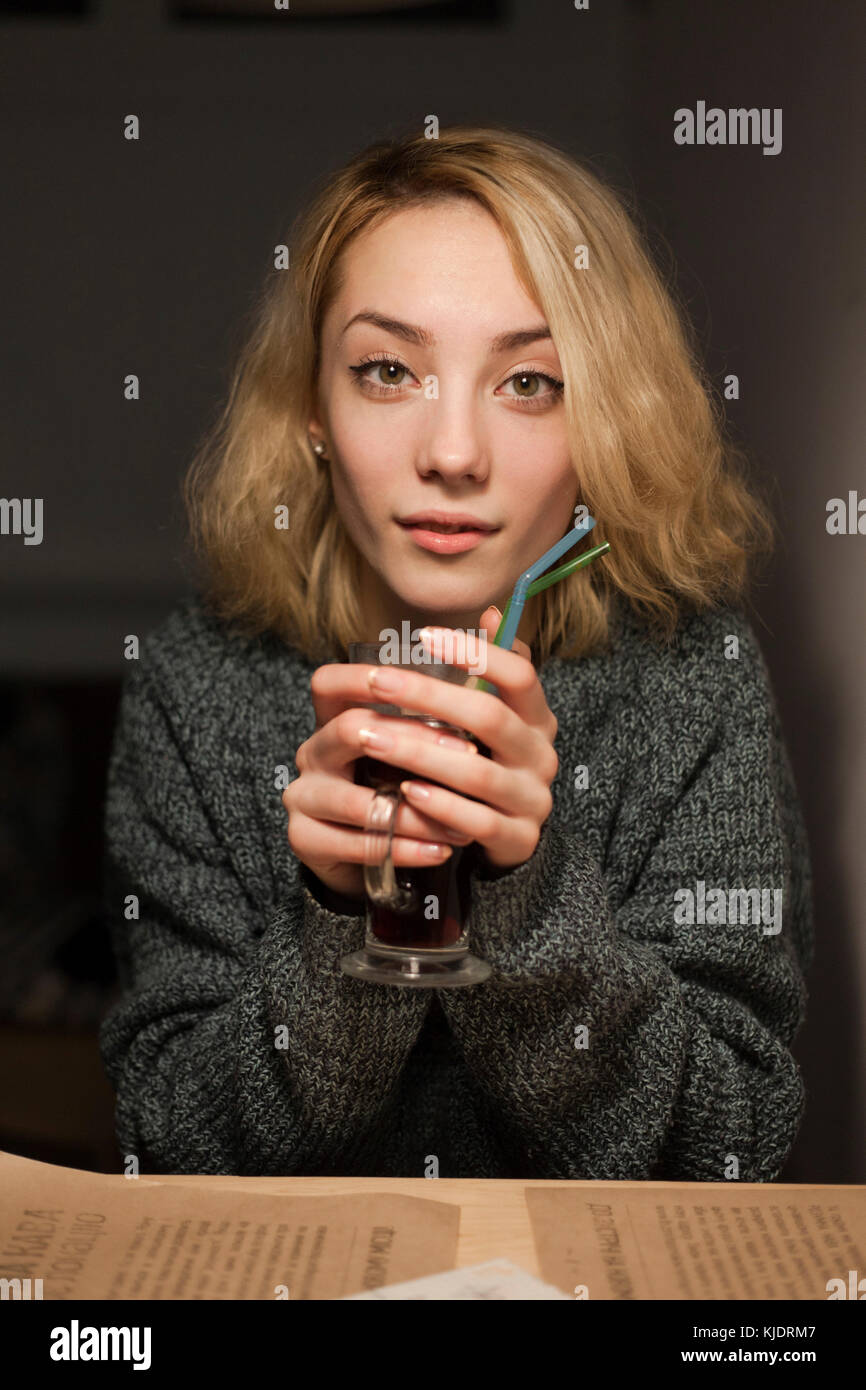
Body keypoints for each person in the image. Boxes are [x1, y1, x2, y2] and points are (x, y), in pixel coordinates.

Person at [98, 125, 813, 1180]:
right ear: (311, 409)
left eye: (528, 382)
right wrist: (338, 918)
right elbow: (165, 1145)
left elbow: (728, 1146)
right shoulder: (196, 682)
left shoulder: (688, 676)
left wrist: (526, 883)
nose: (451, 454)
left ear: (601, 422)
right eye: (388, 370)